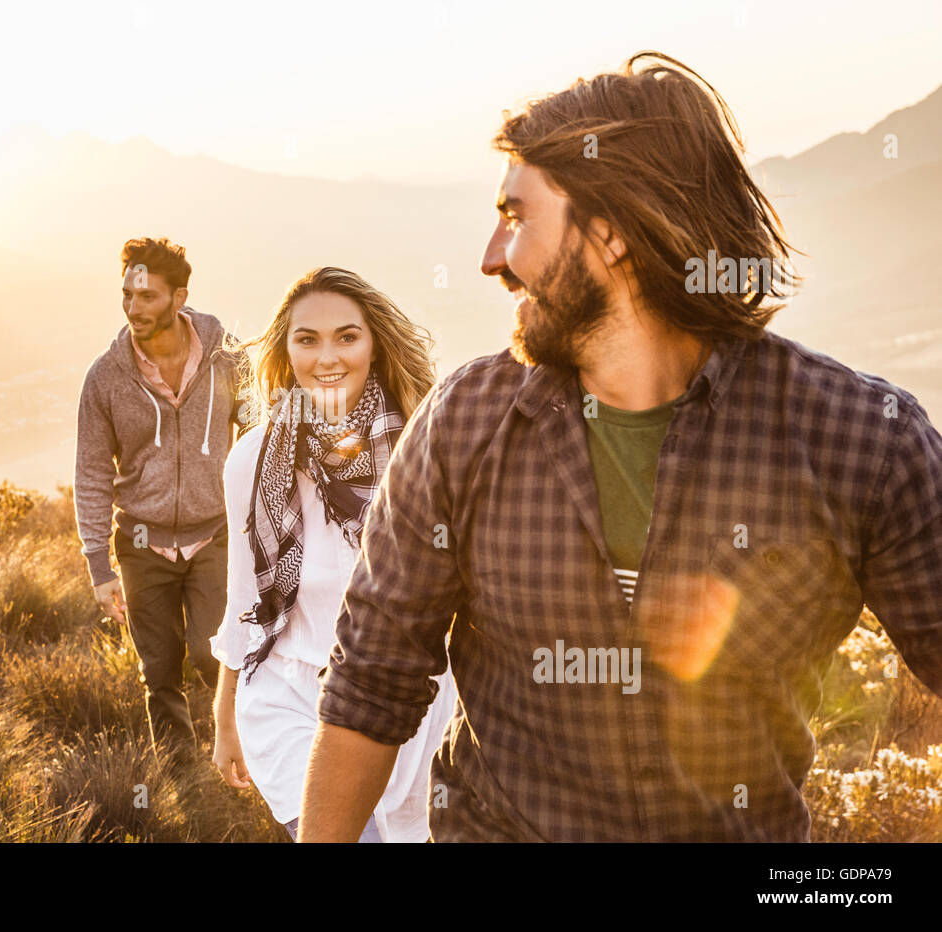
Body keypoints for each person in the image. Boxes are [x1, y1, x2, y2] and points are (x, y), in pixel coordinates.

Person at [297, 52, 942, 841]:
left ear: (612, 234)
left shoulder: (863, 441)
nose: (491, 257)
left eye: (517, 217)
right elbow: (371, 686)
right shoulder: (463, 424)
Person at [210, 267, 459, 842]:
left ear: (374, 346)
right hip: (292, 698)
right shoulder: (252, 461)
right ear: (286, 350)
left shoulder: (420, 448)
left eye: (347, 337)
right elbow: (244, 602)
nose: (327, 357)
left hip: (412, 699)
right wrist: (226, 717)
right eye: (308, 339)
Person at [74, 236, 249, 756]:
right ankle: (182, 781)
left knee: (211, 654)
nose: (133, 307)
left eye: (147, 296)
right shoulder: (105, 377)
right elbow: (90, 474)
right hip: (141, 541)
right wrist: (98, 567)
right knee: (159, 669)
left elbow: (260, 428)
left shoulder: (226, 357)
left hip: (214, 535)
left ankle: (247, 750)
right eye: (127, 294)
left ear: (179, 298)